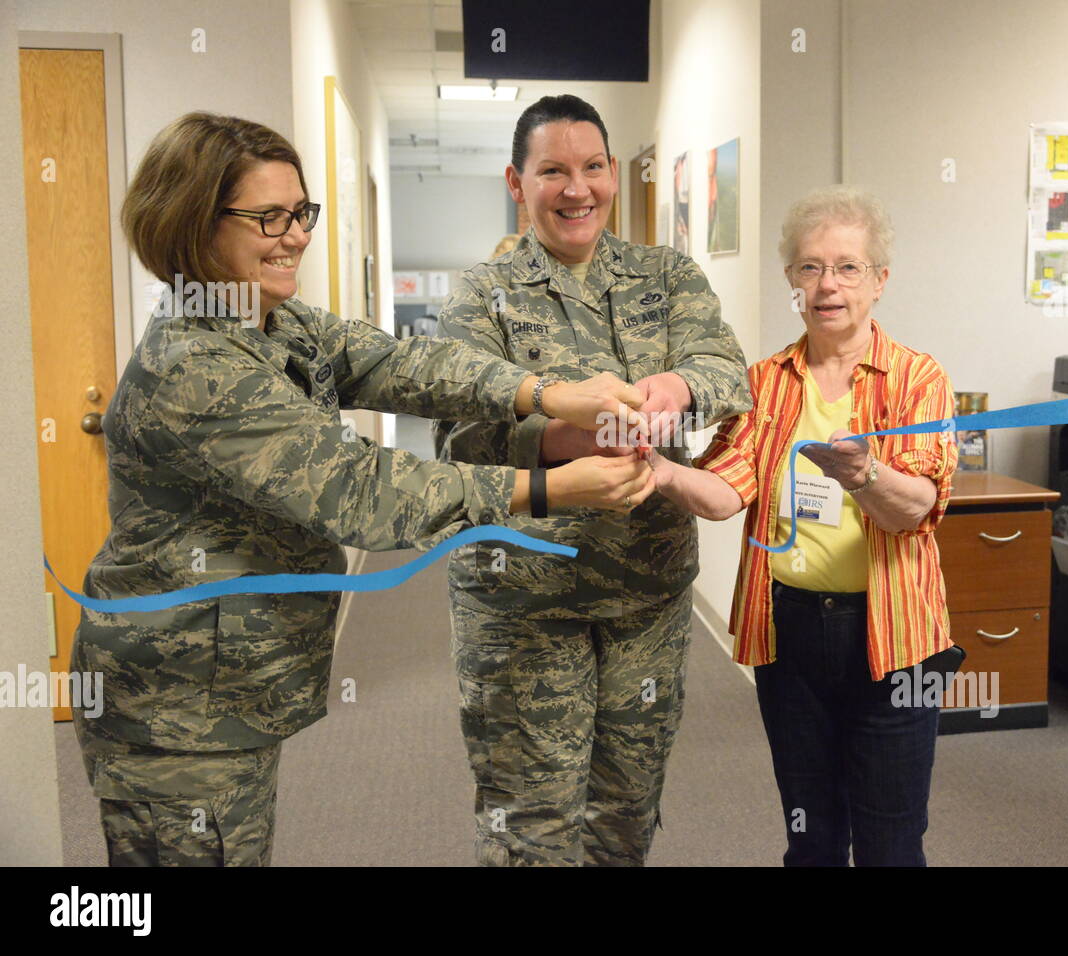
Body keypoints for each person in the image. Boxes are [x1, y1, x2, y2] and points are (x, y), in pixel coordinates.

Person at [70, 111, 656, 867]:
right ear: (191, 224)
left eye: (301, 212)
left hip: (224, 694)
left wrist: (545, 392)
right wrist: (551, 489)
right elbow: (363, 491)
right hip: (175, 709)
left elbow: (401, 365)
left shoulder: (266, 318)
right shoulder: (194, 365)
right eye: (269, 218)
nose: (297, 236)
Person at [431, 94, 749, 866]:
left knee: (626, 808)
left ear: (612, 172)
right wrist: (579, 434)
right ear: (517, 182)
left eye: (593, 168)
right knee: (531, 818)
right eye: (553, 171)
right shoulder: (483, 295)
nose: (578, 189)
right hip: (525, 598)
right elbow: (459, 430)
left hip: (646, 593)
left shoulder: (666, 276)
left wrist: (674, 388)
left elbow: (727, 371)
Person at [648, 185, 960, 866]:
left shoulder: (916, 379)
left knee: (891, 843)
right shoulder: (763, 382)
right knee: (811, 837)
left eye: (848, 267)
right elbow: (728, 492)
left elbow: (918, 508)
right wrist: (660, 471)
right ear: (792, 280)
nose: (829, 285)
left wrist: (865, 475)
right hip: (790, 634)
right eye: (811, 267)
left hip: (894, 636)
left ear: (880, 281)